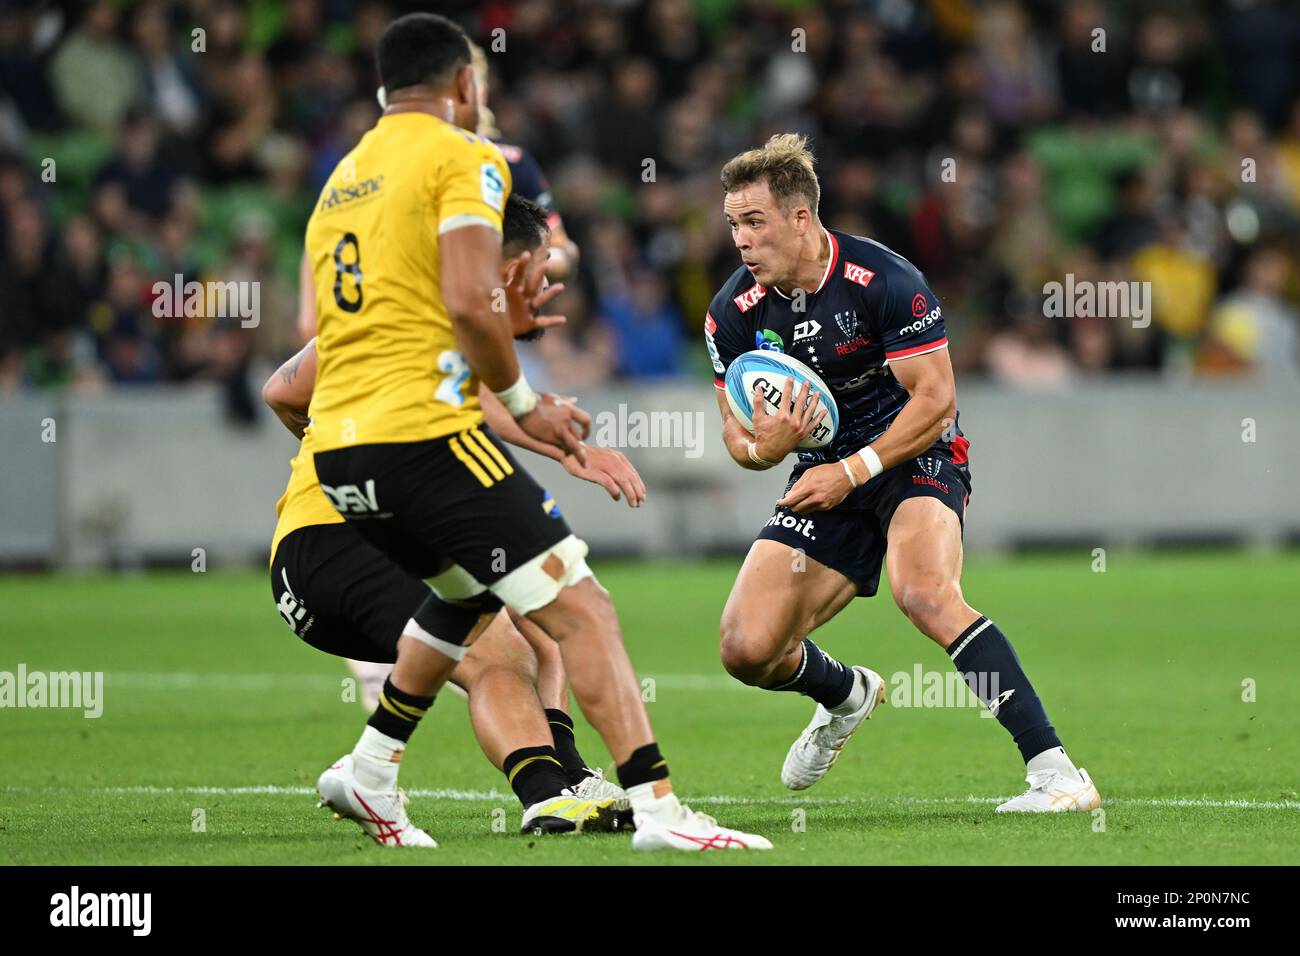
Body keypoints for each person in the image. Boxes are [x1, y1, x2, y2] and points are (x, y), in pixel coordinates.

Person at [302, 12, 768, 850]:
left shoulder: (344, 180)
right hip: (424, 436)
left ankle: (370, 769)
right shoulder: (465, 157)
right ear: (463, 86)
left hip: (337, 450)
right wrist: (527, 403)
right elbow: (468, 303)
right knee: (583, 609)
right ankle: (659, 808)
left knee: (466, 595)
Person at [705, 133, 1099, 812]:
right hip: (824, 471)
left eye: (755, 221)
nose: (741, 240)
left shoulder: (883, 281)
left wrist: (853, 470)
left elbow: (937, 400)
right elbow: (736, 437)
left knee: (922, 591)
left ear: (801, 217)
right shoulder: (733, 312)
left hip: (913, 452)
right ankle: (845, 695)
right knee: (745, 648)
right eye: (734, 224)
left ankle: (1057, 773)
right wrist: (764, 451)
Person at [265, 197, 642, 840]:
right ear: (511, 264)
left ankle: (571, 778)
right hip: (334, 544)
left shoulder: (396, 303)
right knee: (495, 647)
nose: (541, 290)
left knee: (540, 623)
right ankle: (545, 794)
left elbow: (282, 390)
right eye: (538, 273)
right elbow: (473, 395)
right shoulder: (429, 312)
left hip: (348, 540)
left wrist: (329, 439)